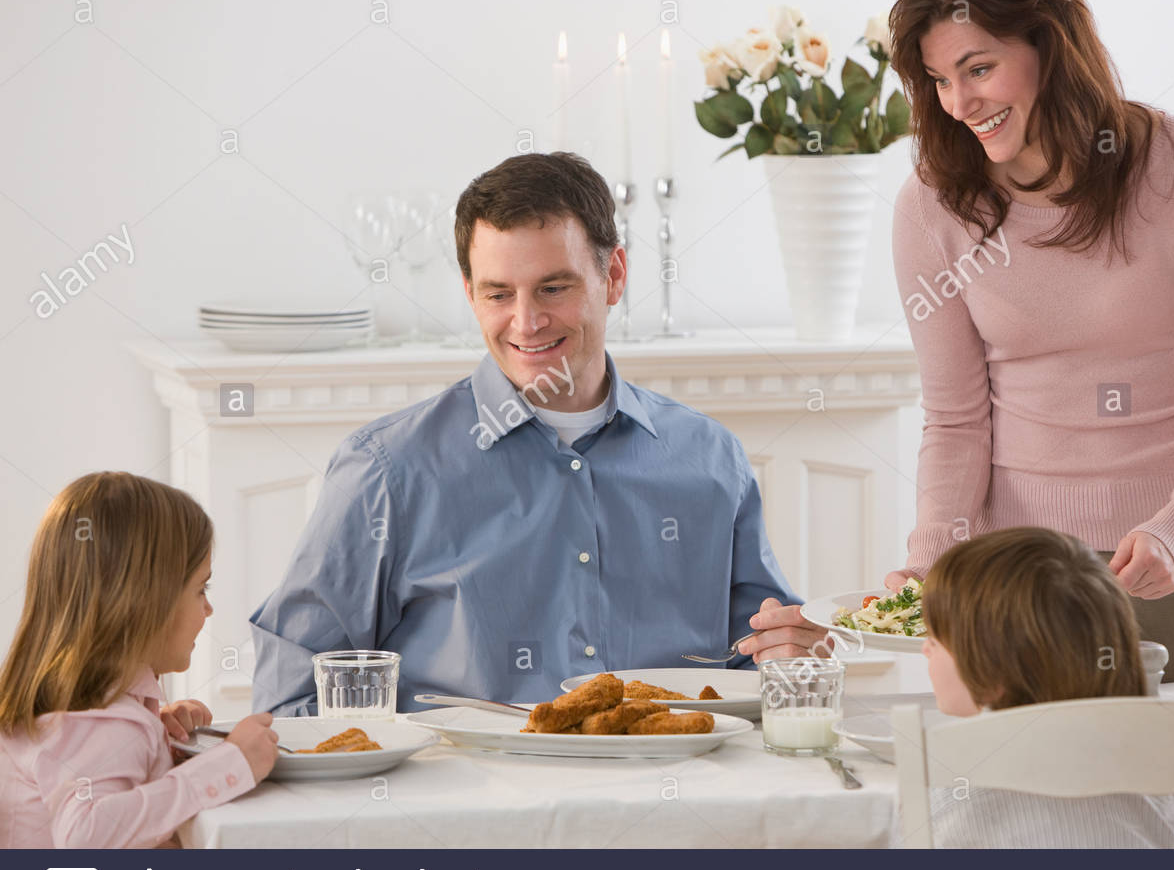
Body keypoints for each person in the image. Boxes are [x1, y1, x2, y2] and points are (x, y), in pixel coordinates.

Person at [250, 152, 826, 715]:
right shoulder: (385, 470)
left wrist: (800, 656)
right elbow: (291, 696)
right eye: (499, 293)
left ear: (614, 276)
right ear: (470, 292)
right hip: (463, 802)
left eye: (554, 288)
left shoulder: (710, 458)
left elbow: (767, 664)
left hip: (674, 789)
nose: (526, 323)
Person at [882, 0, 1174, 681]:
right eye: (940, 82)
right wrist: (930, 564)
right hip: (1016, 578)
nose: (958, 104)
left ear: (1050, 44)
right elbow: (954, 420)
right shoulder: (934, 205)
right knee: (1030, 790)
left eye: (977, 70)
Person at [0, 472, 280, 848]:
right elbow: (87, 838)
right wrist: (228, 765)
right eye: (201, 589)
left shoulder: (83, 711)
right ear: (148, 602)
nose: (209, 609)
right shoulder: (107, 722)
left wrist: (154, 747)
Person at [891, 526, 1174, 848]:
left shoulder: (949, 783)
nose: (925, 650)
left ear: (993, 675)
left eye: (934, 639)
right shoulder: (1154, 767)